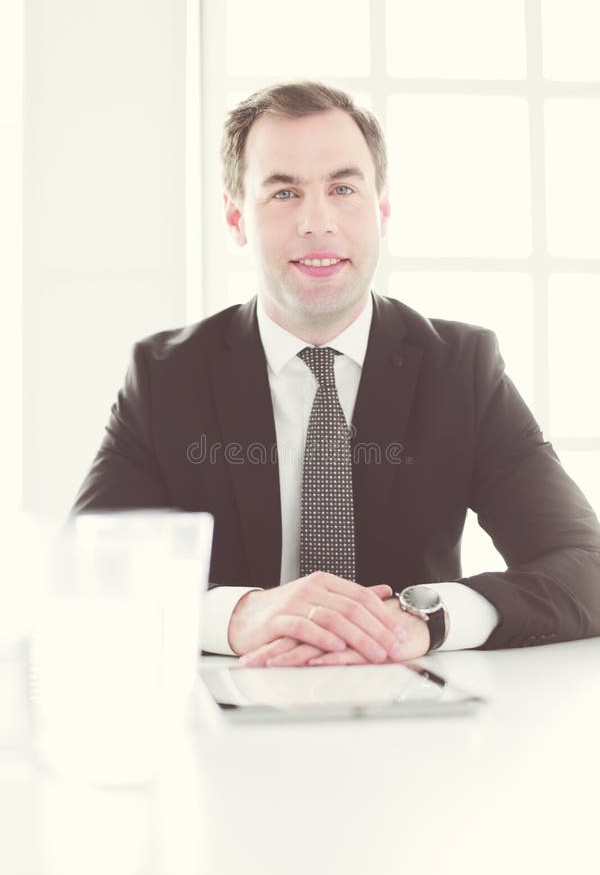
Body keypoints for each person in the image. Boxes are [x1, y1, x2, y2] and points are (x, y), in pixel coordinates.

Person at [72, 81, 600, 668]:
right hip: (230, 709)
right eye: (284, 193)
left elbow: (586, 566)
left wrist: (425, 619)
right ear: (235, 217)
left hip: (414, 710)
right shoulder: (165, 376)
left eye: (343, 188)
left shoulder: (462, 368)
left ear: (382, 211)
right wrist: (239, 614)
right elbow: (88, 577)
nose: (316, 222)